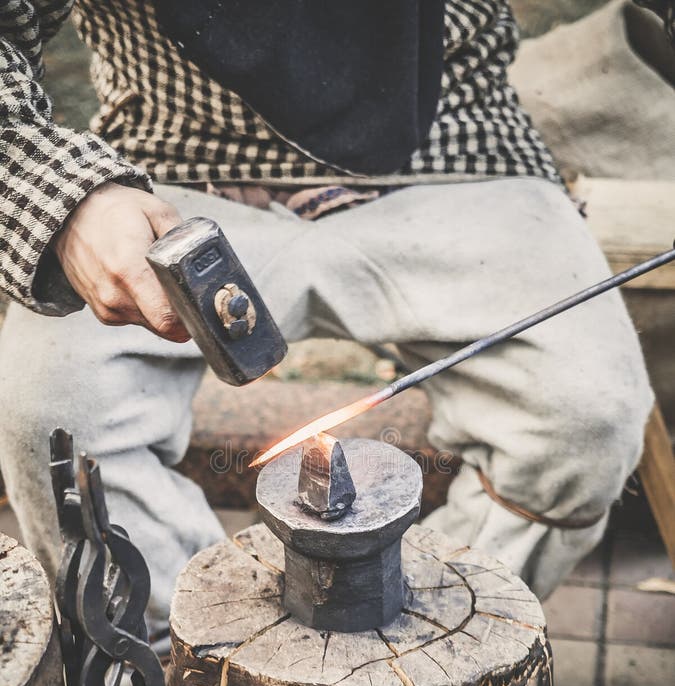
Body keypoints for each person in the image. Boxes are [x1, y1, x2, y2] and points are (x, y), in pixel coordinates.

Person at [0, 0, 654, 638]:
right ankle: (197, 675)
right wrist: (64, 192)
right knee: (51, 412)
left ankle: (428, 647)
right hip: (171, 159)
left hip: (456, 149)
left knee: (586, 413)